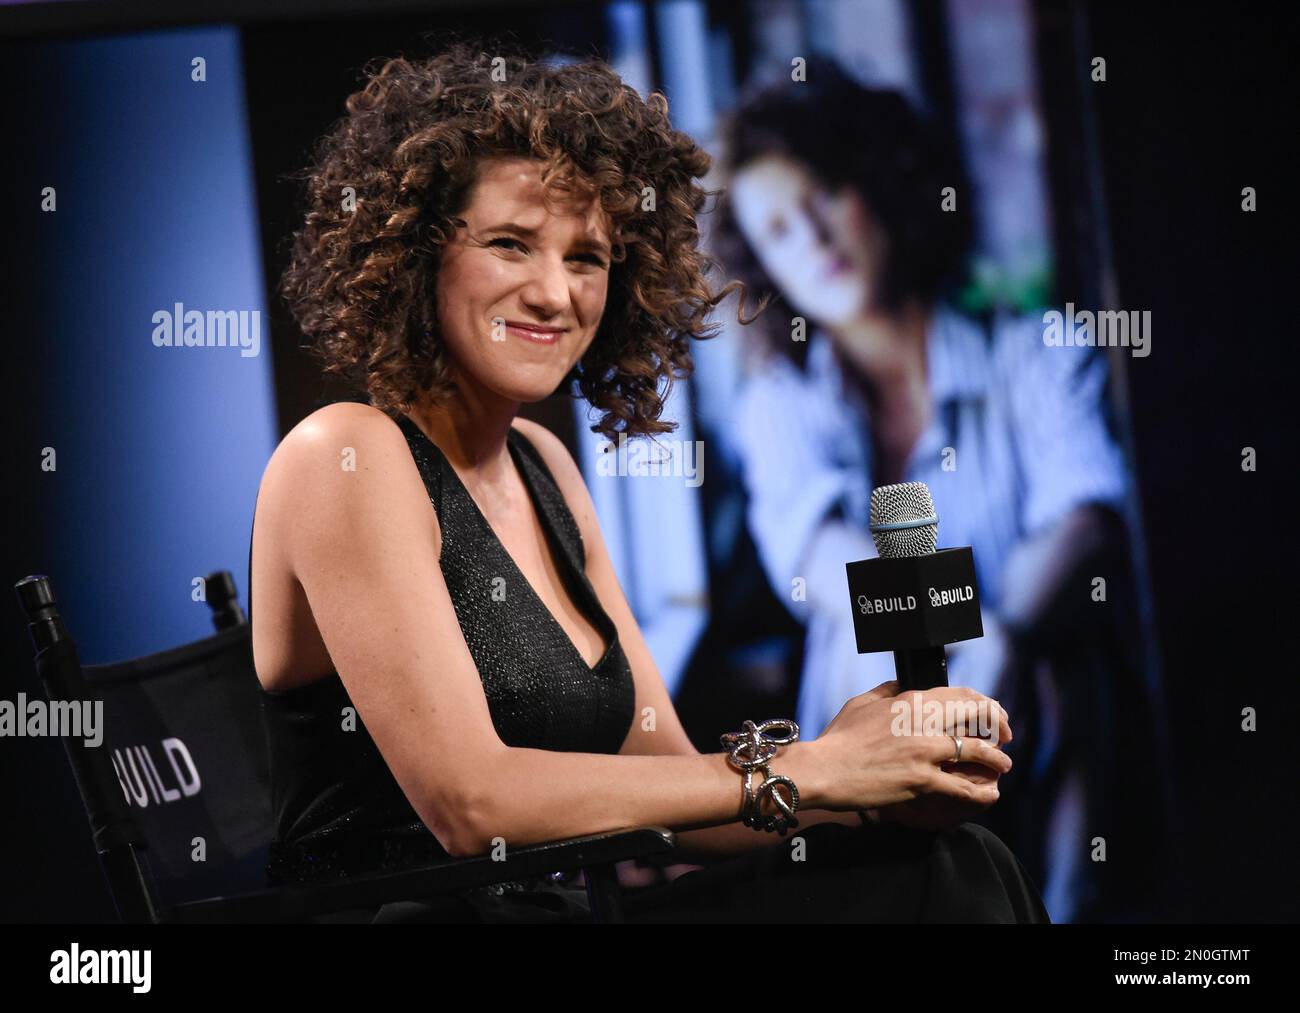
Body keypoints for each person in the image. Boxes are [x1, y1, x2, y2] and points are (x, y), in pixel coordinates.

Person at [248, 44, 1049, 923]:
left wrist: (865, 780)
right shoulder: (345, 455)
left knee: (951, 856)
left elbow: (670, 790)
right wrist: (810, 767)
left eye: (587, 258)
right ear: (416, 252)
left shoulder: (543, 468)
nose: (555, 291)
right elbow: (472, 807)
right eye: (511, 244)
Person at [712, 64, 1153, 921]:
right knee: (868, 638)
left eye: (826, 194)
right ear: (760, 259)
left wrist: (1008, 639)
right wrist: (962, 647)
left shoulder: (1032, 347)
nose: (814, 239)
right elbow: (826, 563)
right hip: (876, 713)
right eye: (778, 228)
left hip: (1039, 717)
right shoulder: (778, 406)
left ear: (879, 184)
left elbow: (1087, 518)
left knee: (1061, 658)